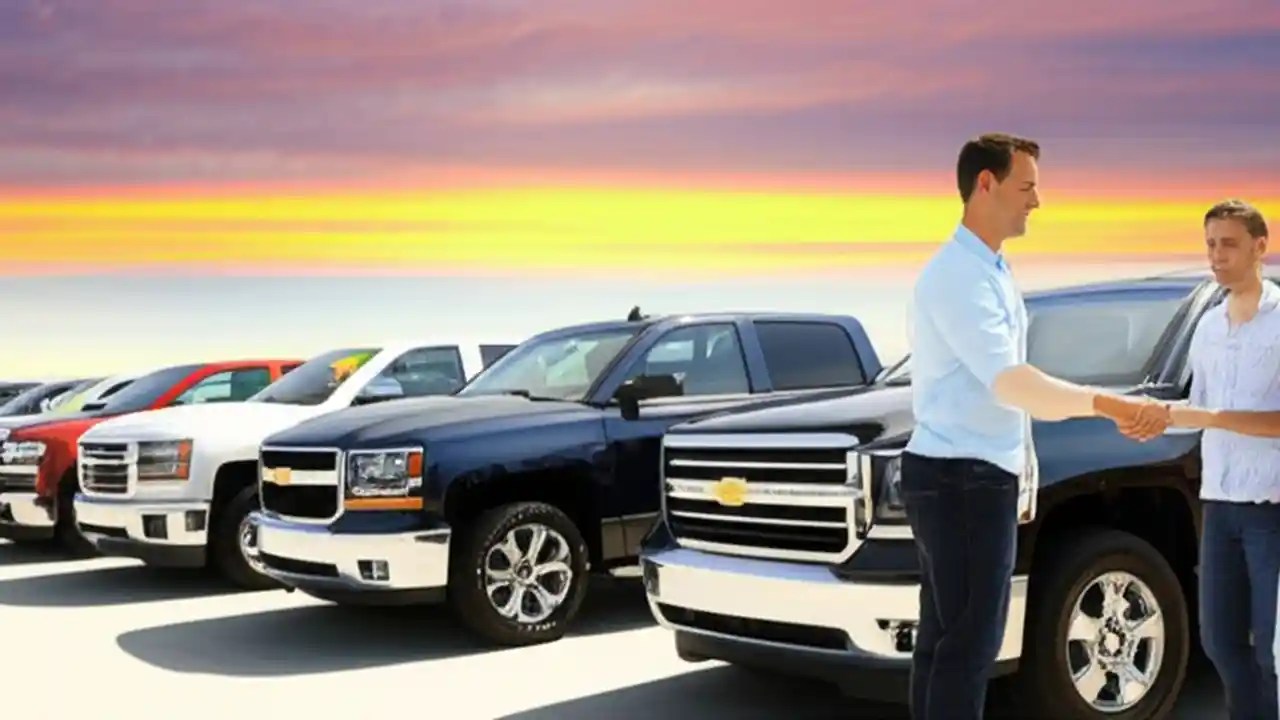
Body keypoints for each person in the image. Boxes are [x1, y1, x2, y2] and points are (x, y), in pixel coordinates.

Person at [902, 132, 1172, 720]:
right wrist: (1111, 405)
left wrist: (1021, 475)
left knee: (947, 638)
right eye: (1027, 187)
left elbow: (1002, 399)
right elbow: (1012, 383)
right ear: (986, 184)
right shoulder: (959, 277)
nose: (1036, 202)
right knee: (967, 645)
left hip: (973, 475)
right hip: (959, 478)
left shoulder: (992, 270)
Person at [1161, 199, 1279, 720]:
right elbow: (1199, 407)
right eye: (1210, 244)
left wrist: (1213, 417)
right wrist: (1157, 418)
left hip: (1271, 505)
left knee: (1271, 650)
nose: (1216, 255)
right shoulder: (1208, 327)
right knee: (1220, 641)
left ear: (1260, 247)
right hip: (1220, 504)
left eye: (1228, 244)